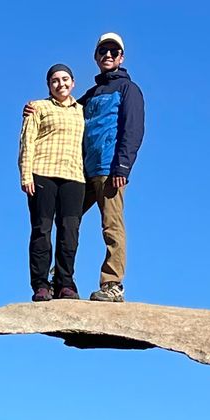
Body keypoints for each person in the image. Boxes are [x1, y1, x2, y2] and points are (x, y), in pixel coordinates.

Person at [77, 31, 145, 302]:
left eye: (113, 52)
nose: (108, 55)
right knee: (67, 221)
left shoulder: (129, 89)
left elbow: (133, 129)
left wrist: (123, 166)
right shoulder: (90, 94)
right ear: (95, 57)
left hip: (109, 169)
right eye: (103, 51)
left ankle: (112, 284)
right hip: (82, 169)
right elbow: (66, 111)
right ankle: (61, 279)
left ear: (121, 57)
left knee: (111, 225)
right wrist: (36, 108)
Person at [19, 64, 86, 302]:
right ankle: (41, 285)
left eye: (65, 79)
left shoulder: (82, 110)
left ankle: (65, 283)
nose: (61, 84)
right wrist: (26, 175)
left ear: (73, 82)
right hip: (42, 173)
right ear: (49, 85)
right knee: (42, 230)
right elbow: (28, 142)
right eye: (55, 80)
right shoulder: (38, 107)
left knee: (70, 232)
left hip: (74, 177)